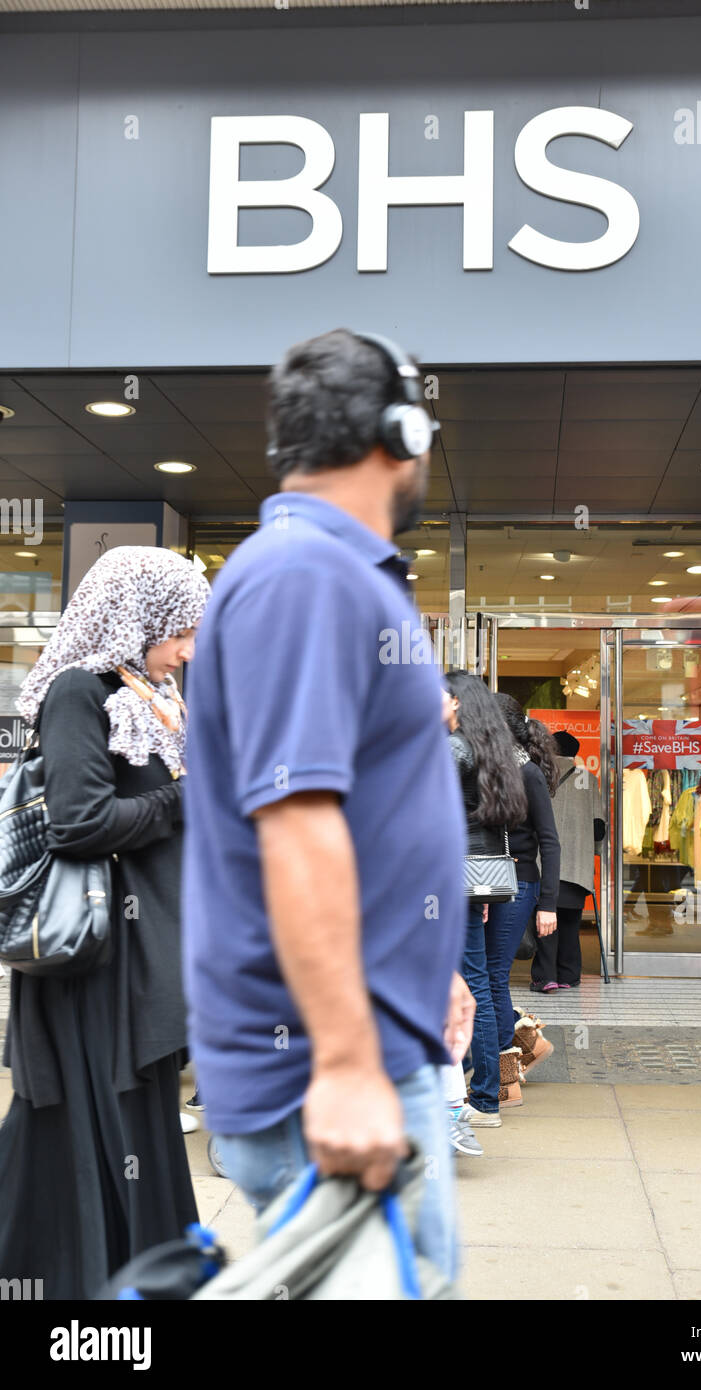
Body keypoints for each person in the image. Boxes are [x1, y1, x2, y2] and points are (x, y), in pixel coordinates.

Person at [182, 329, 471, 1287]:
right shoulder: (306, 575)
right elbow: (298, 827)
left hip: (362, 1046)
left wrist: (427, 973)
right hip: (326, 1070)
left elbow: (358, 815)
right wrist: (347, 1064)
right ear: (403, 433)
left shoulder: (325, 572)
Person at [0, 546, 209, 1299]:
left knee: (113, 1130)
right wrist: (187, 796)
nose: (188, 649)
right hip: (97, 965)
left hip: (136, 958)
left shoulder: (143, 693)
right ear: (136, 619)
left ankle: (104, 1278)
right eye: (179, 631)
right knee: (93, 1128)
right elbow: (80, 823)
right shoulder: (78, 693)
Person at [444, 672, 528, 1126]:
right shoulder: (492, 750)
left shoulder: (455, 748)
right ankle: (485, 1095)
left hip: (448, 875)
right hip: (475, 877)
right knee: (475, 982)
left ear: (456, 702)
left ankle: (470, 1095)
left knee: (461, 984)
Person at [485, 694, 560, 1100]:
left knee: (493, 974)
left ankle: (505, 1077)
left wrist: (547, 904)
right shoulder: (488, 770)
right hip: (489, 882)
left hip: (519, 883)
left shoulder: (527, 772)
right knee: (485, 974)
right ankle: (527, 1040)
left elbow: (550, 841)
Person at [540, 730, 606, 991]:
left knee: (545, 925)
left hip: (545, 865)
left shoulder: (541, 776)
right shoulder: (588, 779)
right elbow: (598, 827)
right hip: (578, 867)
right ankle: (569, 975)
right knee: (570, 924)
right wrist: (592, 852)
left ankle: (545, 977)